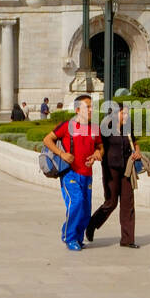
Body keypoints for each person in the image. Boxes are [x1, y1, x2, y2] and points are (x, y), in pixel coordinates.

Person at [42, 95, 102, 252]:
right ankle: (70, 238)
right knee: (76, 202)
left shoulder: (94, 128)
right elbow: (47, 140)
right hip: (70, 173)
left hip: (87, 174)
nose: (91, 110)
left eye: (91, 107)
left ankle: (75, 235)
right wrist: (62, 154)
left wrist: (97, 154)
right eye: (87, 107)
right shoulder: (67, 126)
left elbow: (100, 147)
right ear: (77, 110)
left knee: (86, 209)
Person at [88, 102, 141, 248]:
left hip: (127, 169)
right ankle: (92, 225)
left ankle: (128, 239)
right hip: (111, 169)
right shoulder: (105, 129)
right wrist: (96, 154)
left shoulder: (127, 127)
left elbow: (135, 143)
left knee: (128, 203)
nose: (126, 116)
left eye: (127, 113)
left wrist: (137, 151)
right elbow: (99, 146)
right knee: (111, 202)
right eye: (123, 113)